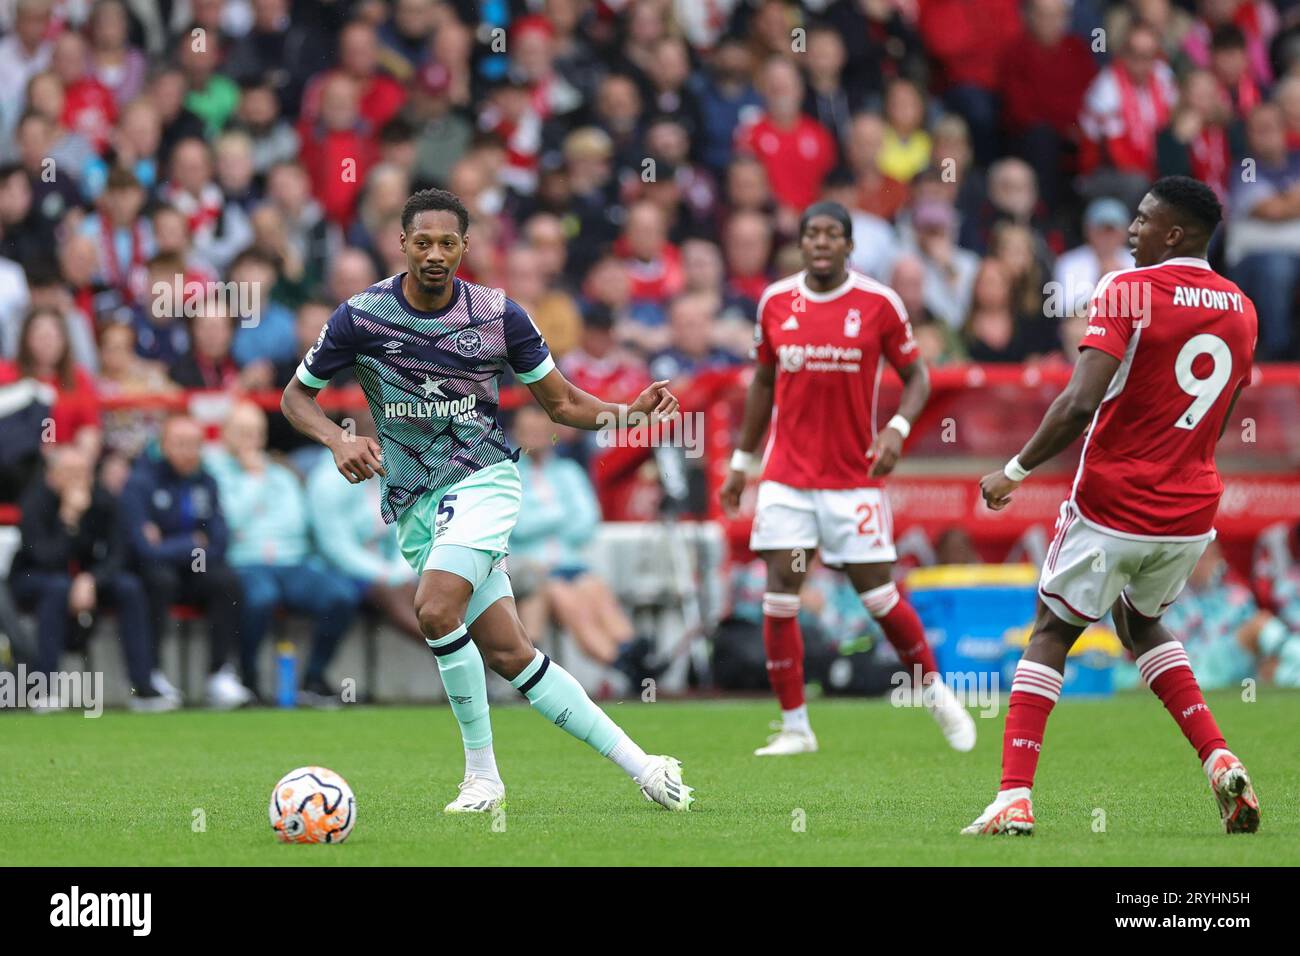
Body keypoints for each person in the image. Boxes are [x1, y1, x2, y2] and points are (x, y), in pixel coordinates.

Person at [280, 188, 693, 813]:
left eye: (448, 243)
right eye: (423, 242)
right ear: (402, 244)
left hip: (483, 480)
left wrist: (624, 411)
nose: (436, 254)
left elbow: (562, 404)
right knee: (509, 653)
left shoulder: (499, 315)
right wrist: (338, 438)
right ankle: (646, 765)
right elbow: (294, 398)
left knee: (436, 609)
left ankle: (482, 778)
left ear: (466, 247)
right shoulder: (359, 318)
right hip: (415, 502)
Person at [964, 176, 1260, 836]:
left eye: (1144, 220)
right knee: (1139, 624)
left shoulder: (1127, 291)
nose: (1131, 230)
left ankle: (1013, 796)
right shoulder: (1242, 308)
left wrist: (1012, 471)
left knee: (1050, 631)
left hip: (1113, 503)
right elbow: (1221, 413)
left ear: (1175, 233)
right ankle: (1220, 760)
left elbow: (1078, 402)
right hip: (1189, 511)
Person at [719, 199, 976, 757]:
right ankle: (795, 727)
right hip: (787, 478)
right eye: (812, 233)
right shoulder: (775, 302)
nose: (820, 242)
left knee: (878, 595)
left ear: (850, 245)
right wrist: (742, 465)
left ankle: (937, 697)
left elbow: (919, 378)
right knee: (780, 597)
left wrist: (899, 429)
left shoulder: (879, 305)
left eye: (832, 234)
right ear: (802, 241)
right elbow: (762, 385)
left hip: (852, 481)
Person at [207, 401, 360, 706]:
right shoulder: (213, 470)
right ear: (225, 433)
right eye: (242, 432)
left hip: (291, 561)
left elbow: (297, 522)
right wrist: (253, 482)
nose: (251, 440)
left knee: (341, 594)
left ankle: (313, 680)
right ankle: (248, 679)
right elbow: (230, 522)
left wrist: (260, 496)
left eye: (256, 433)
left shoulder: (279, 471)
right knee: (260, 598)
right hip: (244, 561)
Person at [10, 445, 172, 710]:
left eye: (83, 473)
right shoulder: (35, 502)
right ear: (51, 475)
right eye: (70, 473)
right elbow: (44, 559)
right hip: (35, 579)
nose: (78, 480)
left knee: (129, 588)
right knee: (57, 587)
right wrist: (69, 521)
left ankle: (143, 686)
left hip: (89, 581)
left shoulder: (104, 501)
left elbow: (118, 554)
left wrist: (91, 580)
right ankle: (43, 689)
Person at [119, 414, 250, 709]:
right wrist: (191, 542)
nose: (187, 451)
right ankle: (151, 674)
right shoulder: (141, 482)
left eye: (194, 444)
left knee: (227, 581)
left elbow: (218, 541)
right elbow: (143, 549)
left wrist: (168, 543)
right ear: (163, 446)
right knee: (158, 581)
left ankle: (219, 674)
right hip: (154, 573)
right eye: (179, 443)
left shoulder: (207, 482)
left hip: (195, 569)